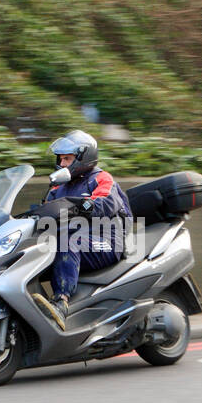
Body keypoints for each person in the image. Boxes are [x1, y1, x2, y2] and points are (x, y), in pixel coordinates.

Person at [31, 130, 133, 331]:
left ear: (82, 158)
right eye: (61, 159)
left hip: (106, 240)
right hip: (72, 238)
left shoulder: (101, 178)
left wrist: (81, 206)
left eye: (67, 159)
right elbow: (46, 210)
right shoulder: (58, 187)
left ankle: (60, 302)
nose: (62, 164)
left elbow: (104, 204)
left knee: (69, 242)